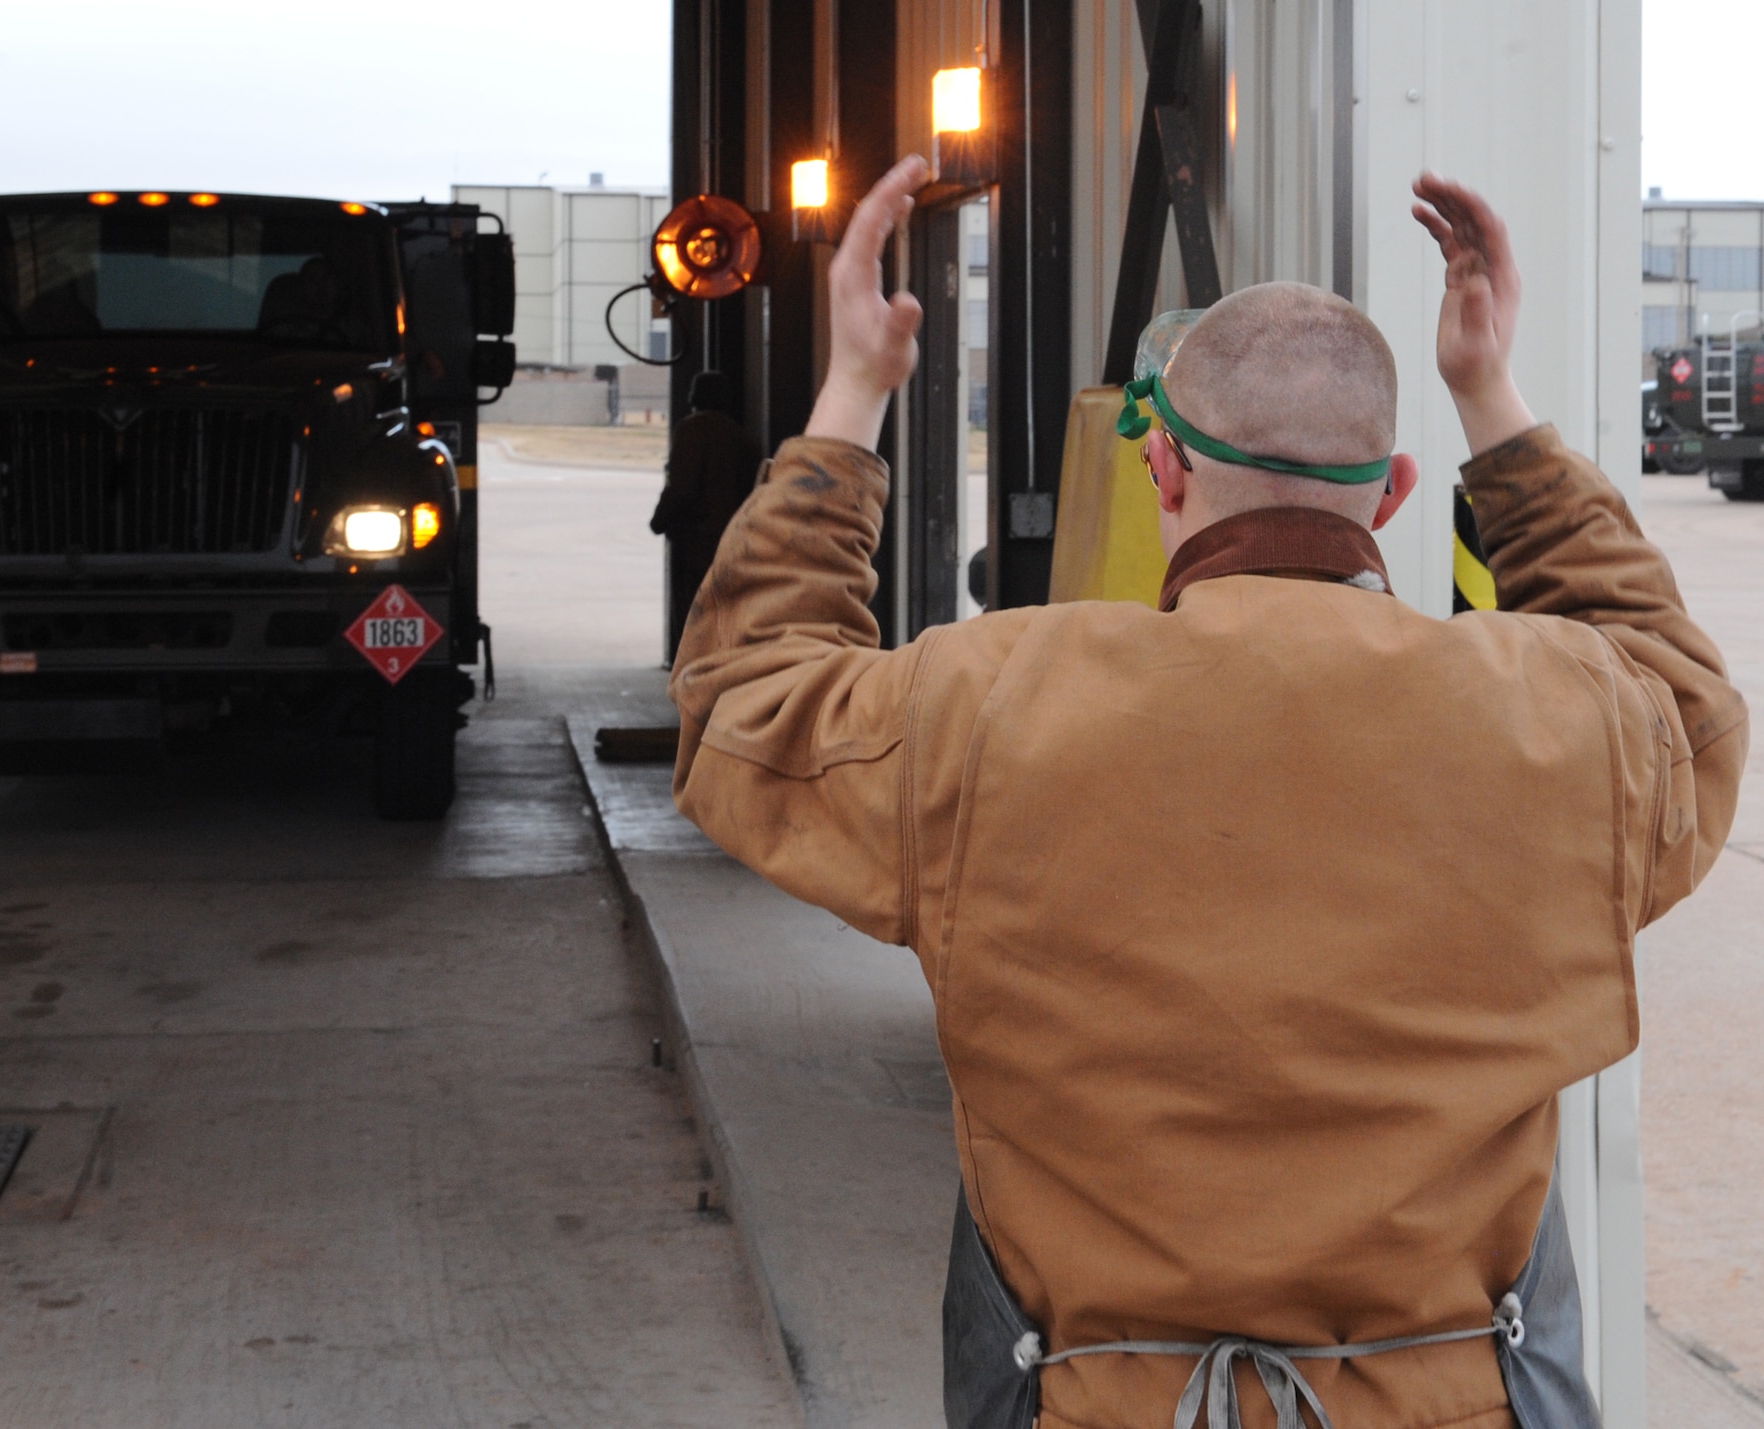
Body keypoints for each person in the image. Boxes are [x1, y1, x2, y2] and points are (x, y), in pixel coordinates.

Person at [668, 155, 1747, 1429]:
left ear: (1162, 472)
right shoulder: (1559, 720)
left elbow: (744, 702)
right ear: (1392, 495)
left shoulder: (990, 702)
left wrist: (851, 399)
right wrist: (1492, 404)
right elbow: (1685, 703)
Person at [652, 370, 761, 663]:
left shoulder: (692, 430)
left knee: (692, 614)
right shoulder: (742, 437)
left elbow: (682, 487)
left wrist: (659, 519)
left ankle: (690, 672)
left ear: (695, 398)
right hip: (734, 542)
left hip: (695, 541)